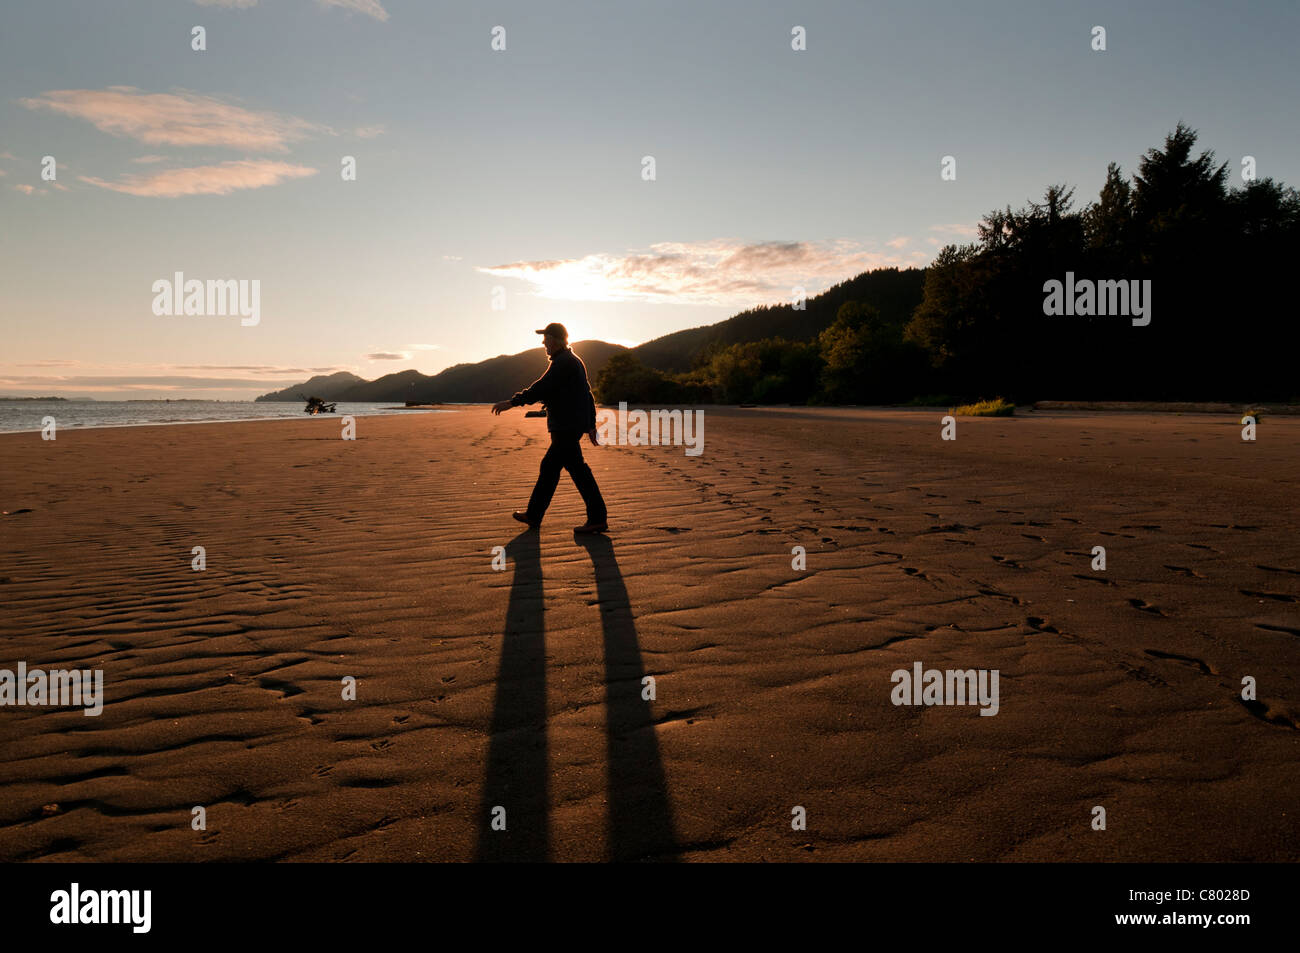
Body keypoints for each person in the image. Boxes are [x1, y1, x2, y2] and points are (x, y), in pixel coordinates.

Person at [491, 323, 608, 534]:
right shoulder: (571, 361)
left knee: (563, 469)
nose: (543, 343)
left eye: (546, 339)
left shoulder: (564, 362)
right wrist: (590, 424)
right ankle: (537, 515)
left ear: (554, 339)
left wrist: (512, 402)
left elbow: (541, 387)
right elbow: (588, 394)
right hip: (569, 425)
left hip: (566, 426)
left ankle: (593, 518)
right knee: (562, 469)